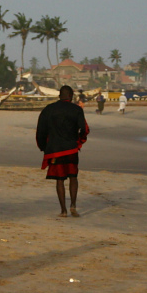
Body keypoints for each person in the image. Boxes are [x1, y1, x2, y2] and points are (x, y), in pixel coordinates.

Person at [36, 85, 89, 218]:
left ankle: (63, 211)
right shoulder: (76, 109)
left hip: (55, 150)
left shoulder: (49, 109)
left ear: (59, 96)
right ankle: (73, 205)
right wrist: (79, 141)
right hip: (71, 149)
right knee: (73, 177)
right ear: (71, 96)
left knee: (60, 179)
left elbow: (41, 130)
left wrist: (43, 147)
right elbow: (84, 129)